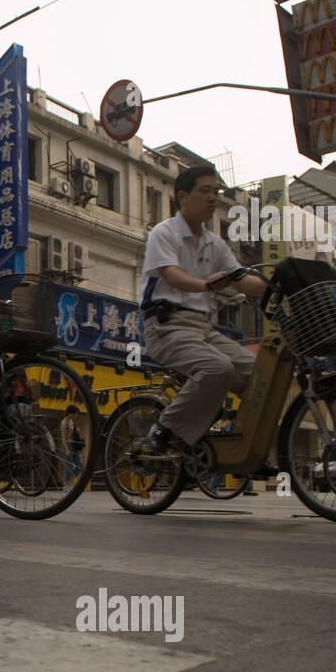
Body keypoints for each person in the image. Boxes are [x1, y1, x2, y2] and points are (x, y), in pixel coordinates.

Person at [138, 166, 267, 456]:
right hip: (166, 327)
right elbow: (171, 274)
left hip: (203, 330)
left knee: (260, 373)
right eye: (205, 191)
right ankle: (163, 428)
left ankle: (247, 447)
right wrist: (204, 285)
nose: (213, 199)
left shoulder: (215, 243)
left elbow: (240, 279)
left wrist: (275, 286)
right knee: (218, 368)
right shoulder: (164, 232)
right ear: (183, 197)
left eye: (216, 192)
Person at [61, 404, 87, 482]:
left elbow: (72, 434)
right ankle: (66, 484)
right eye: (75, 413)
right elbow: (63, 437)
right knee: (69, 465)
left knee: (80, 465)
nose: (76, 415)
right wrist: (66, 449)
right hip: (67, 445)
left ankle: (68, 478)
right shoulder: (64, 422)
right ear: (70, 413)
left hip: (73, 445)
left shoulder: (71, 421)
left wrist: (76, 431)